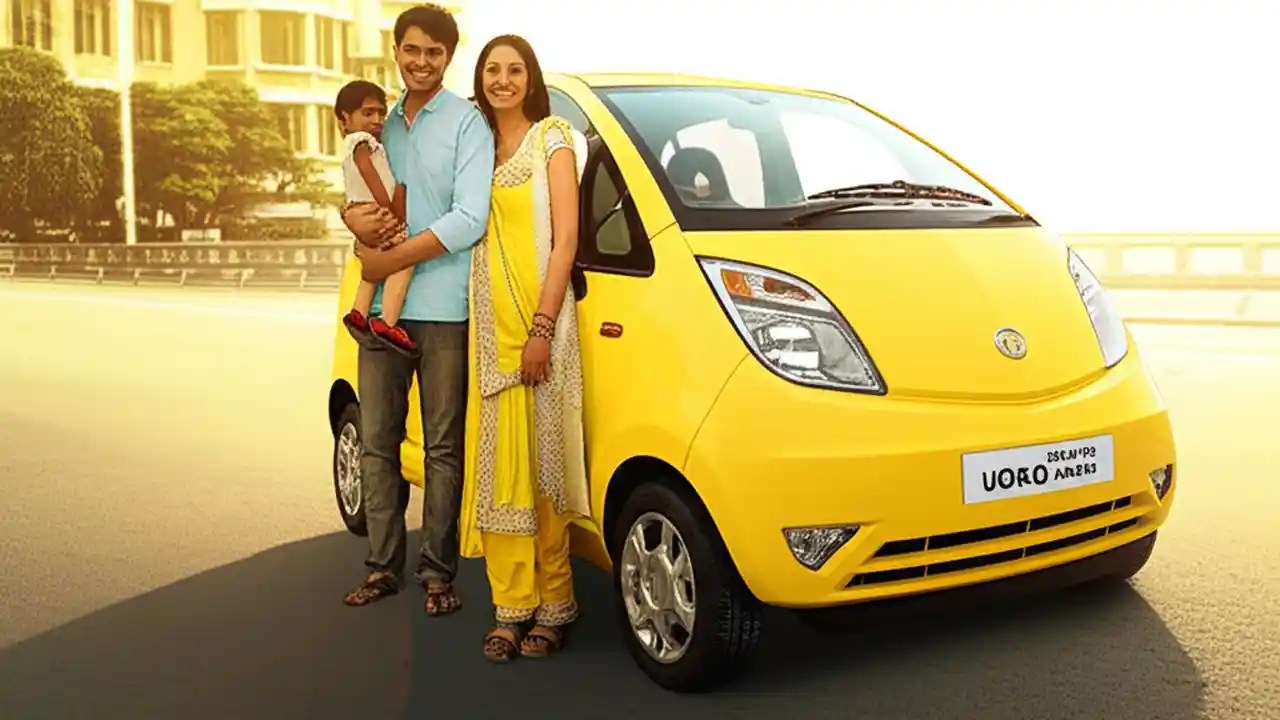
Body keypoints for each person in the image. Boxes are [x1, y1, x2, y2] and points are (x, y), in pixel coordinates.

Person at [340, 4, 495, 616]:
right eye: (412, 50)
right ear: (397, 50)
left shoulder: (467, 124)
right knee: (377, 442)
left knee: (442, 447)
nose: (422, 62)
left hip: (443, 309)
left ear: (448, 58)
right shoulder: (379, 126)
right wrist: (359, 240)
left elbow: (469, 218)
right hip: (378, 309)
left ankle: (438, 572)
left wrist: (390, 256)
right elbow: (358, 196)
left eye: (434, 53)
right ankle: (381, 567)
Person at [454, 34, 591, 662]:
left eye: (514, 70)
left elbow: (565, 241)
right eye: (491, 70)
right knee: (498, 482)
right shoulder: (474, 148)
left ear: (529, 78)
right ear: (480, 78)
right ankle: (510, 608)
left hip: (540, 333)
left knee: (542, 477)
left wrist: (541, 329)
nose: (502, 80)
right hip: (489, 338)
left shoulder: (552, 138)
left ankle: (555, 605)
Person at [333, 79, 419, 358]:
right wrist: (389, 205)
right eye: (367, 113)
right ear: (345, 119)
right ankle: (387, 321)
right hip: (377, 209)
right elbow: (369, 172)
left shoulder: (357, 142)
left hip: (366, 209)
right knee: (403, 259)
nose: (377, 120)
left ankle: (359, 311)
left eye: (381, 113)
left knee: (373, 263)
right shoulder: (362, 142)